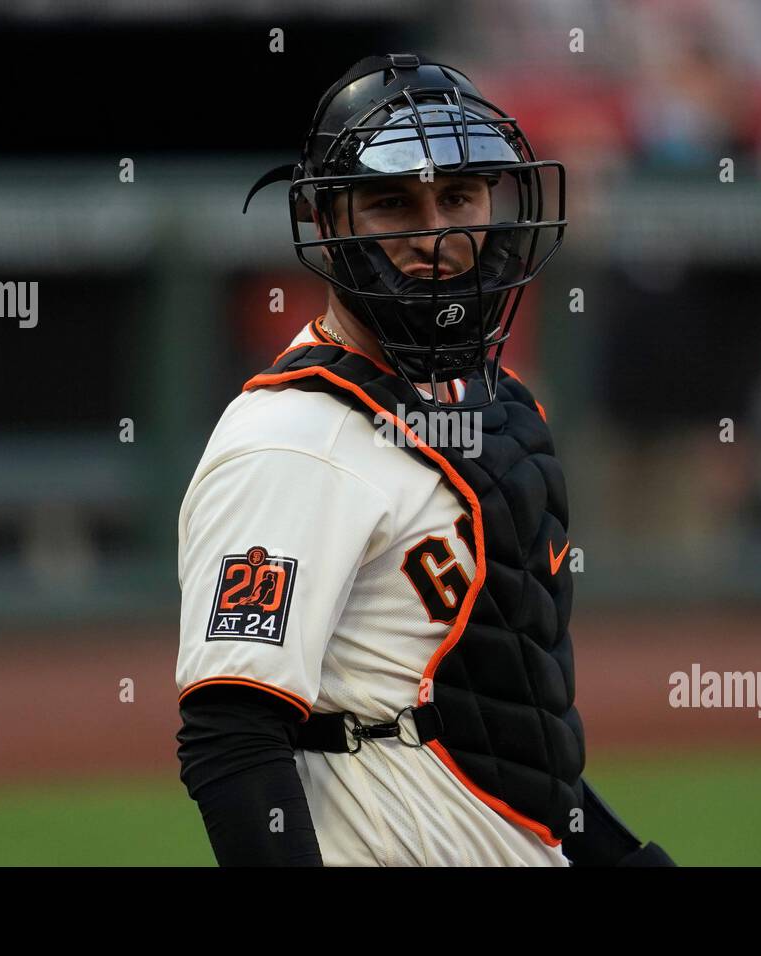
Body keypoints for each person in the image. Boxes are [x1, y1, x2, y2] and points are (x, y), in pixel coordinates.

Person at [175, 53, 675, 867]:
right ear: (328, 223)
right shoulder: (292, 441)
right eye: (389, 202)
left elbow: (506, 725)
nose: (435, 234)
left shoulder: (498, 404)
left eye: (458, 196)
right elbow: (231, 739)